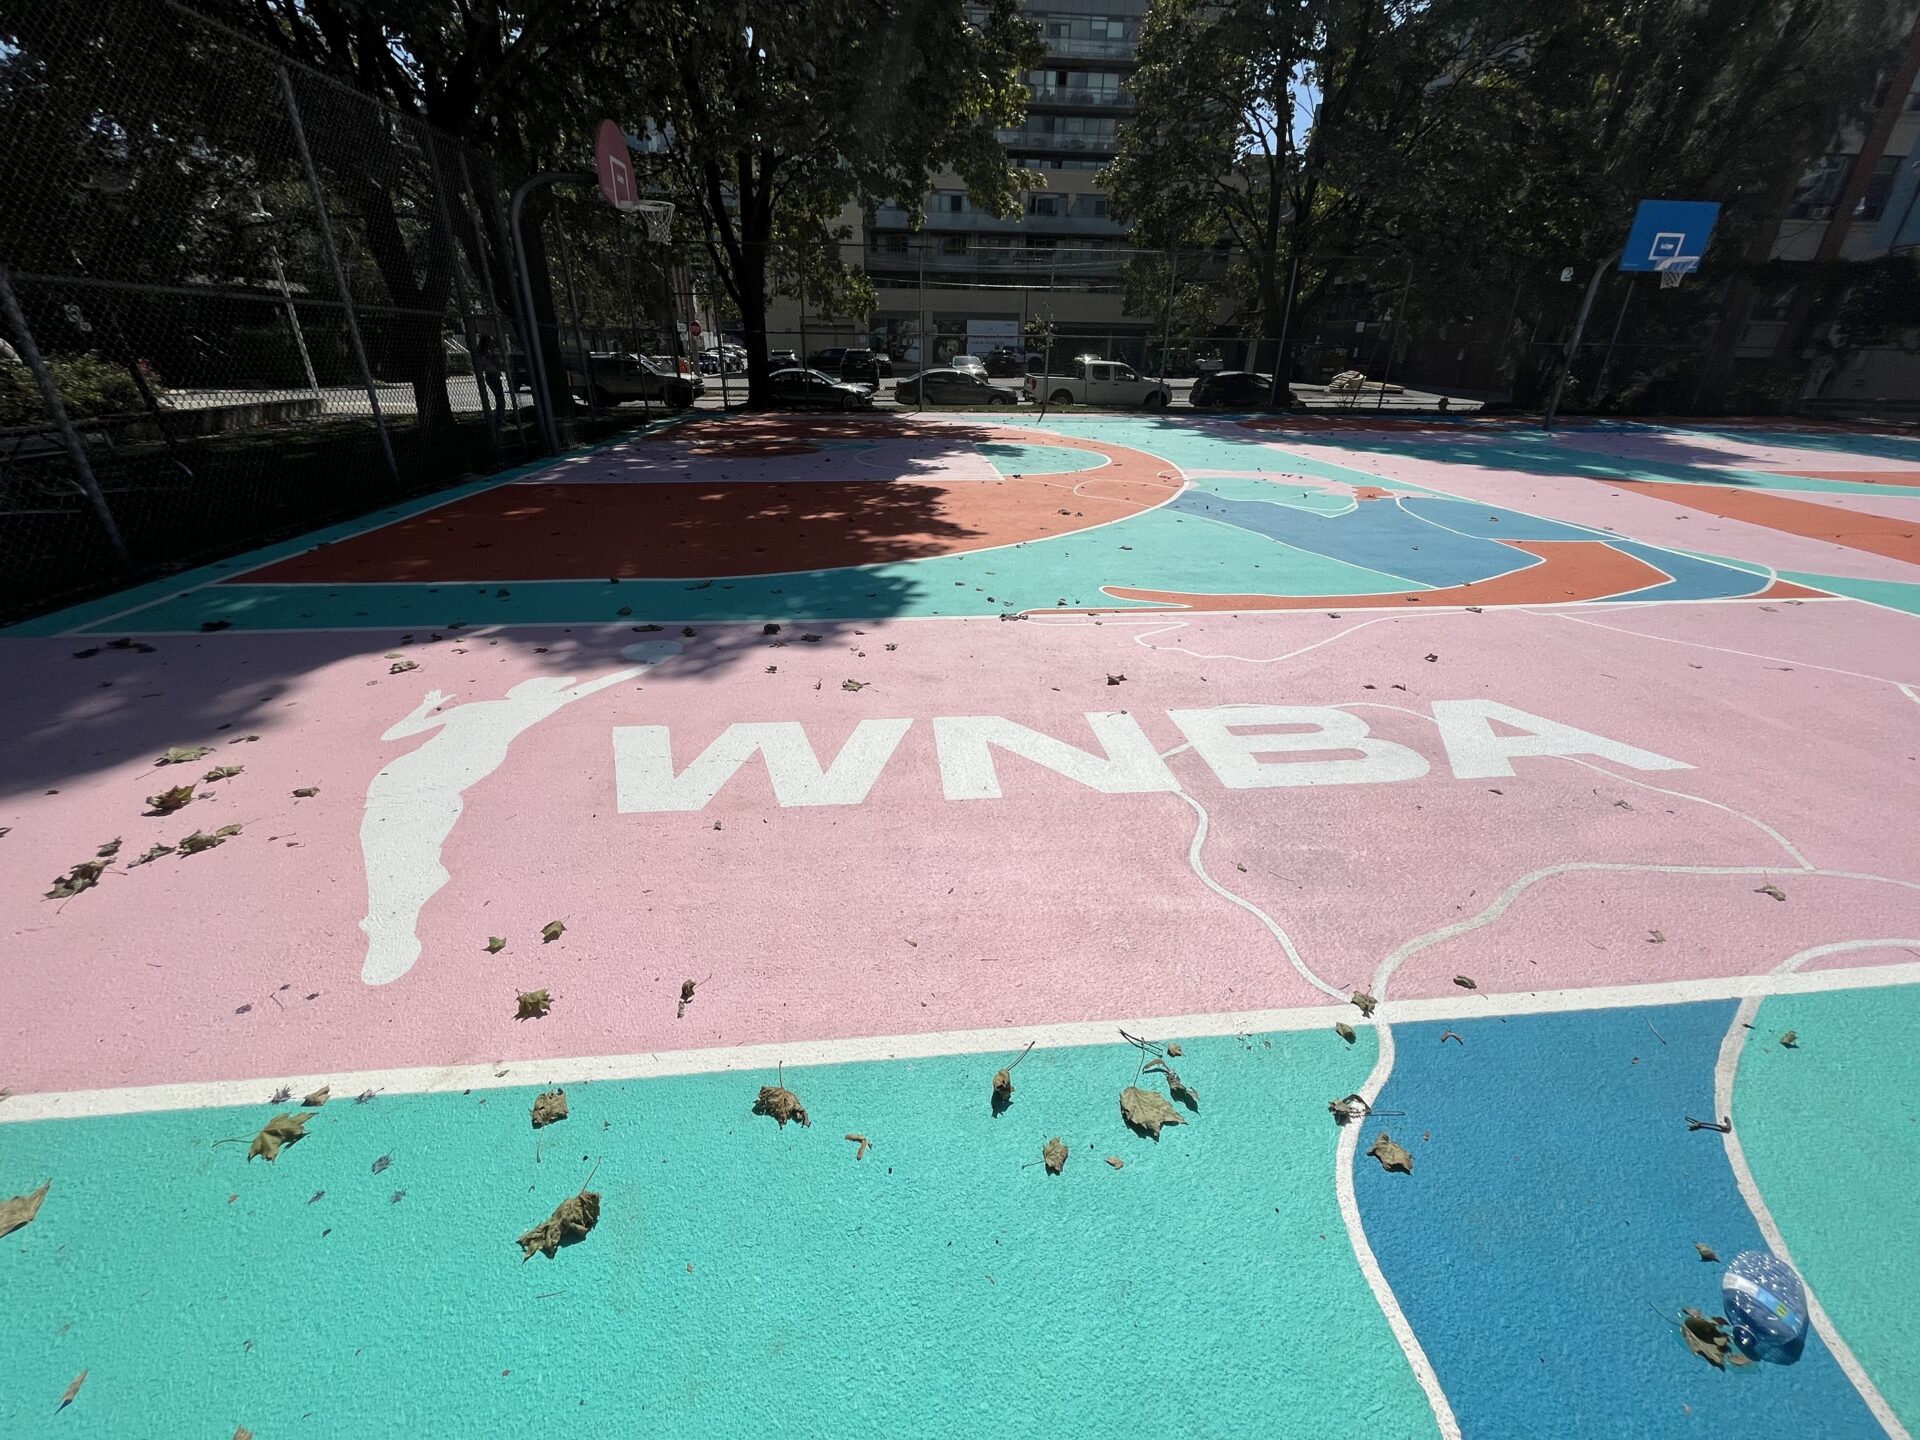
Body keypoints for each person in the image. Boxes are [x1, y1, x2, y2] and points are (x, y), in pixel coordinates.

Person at [357, 642, 680, 984]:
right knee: (404, 855)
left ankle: (390, 924)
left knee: (388, 851)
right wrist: (648, 664)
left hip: (399, 779)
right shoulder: (535, 706)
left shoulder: (478, 708)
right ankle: (392, 928)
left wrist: (425, 708)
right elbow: (597, 684)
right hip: (429, 787)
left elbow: (395, 734)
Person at [474, 333, 507, 430]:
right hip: (492, 375)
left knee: (500, 398)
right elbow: (494, 362)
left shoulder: (488, 352)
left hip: (493, 374)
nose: (492, 343)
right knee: (500, 398)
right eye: (490, 341)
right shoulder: (485, 353)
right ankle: (499, 419)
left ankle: (500, 417)